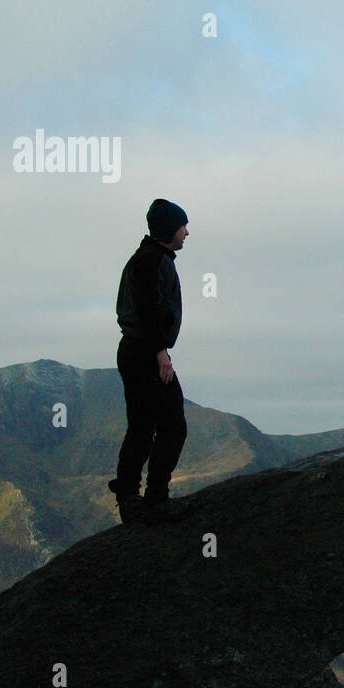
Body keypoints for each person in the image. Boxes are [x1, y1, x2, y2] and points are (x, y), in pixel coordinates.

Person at [108, 198, 194, 525]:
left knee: (142, 427)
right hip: (145, 353)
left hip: (135, 350)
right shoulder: (151, 260)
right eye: (182, 226)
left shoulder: (148, 258)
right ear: (167, 229)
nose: (186, 232)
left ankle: (130, 499)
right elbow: (148, 308)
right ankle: (155, 498)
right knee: (172, 425)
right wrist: (161, 352)